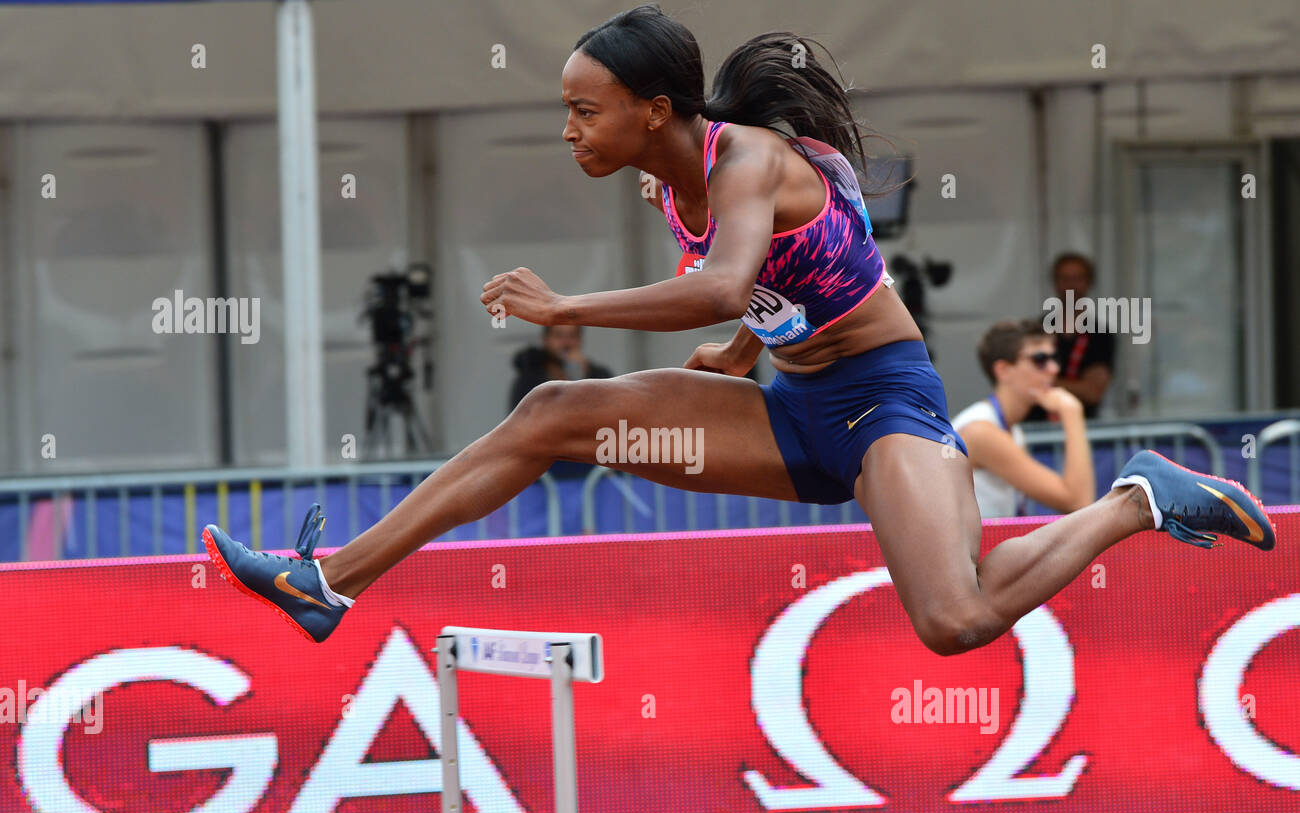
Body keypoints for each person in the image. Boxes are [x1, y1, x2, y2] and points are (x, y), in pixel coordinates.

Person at [202, 5, 1274, 649]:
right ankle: (328, 580)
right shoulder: (669, 183)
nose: (569, 128)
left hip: (882, 400)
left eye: (587, 109)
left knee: (954, 620)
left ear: (655, 110)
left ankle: (1140, 496)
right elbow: (762, 289)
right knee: (553, 410)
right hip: (793, 408)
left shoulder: (746, 158)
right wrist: (746, 352)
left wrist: (570, 305)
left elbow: (725, 283)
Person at [953, 321, 1094, 518]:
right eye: (1040, 359)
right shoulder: (981, 431)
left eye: (1054, 357)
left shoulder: (1012, 430)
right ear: (1003, 370)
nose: (1053, 368)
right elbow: (1077, 501)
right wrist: (1072, 413)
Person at [1025, 252, 1114, 422]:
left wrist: (1046, 381)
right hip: (1037, 429)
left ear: (1089, 282)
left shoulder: (1100, 334)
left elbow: (1093, 392)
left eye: (1078, 278)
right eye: (1064, 278)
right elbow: (1025, 382)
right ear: (1055, 282)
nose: (1070, 285)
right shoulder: (1036, 329)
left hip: (1082, 427)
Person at [508, 322, 612, 412]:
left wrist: (584, 377)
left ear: (580, 340)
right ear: (545, 340)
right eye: (558, 335)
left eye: (572, 335)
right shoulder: (529, 380)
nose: (566, 343)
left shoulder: (600, 377)